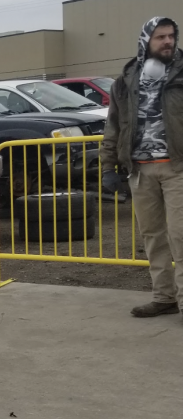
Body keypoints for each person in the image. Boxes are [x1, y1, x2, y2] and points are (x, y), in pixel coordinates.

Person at [102, 17, 183, 318]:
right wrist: (108, 167)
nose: (167, 41)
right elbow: (113, 126)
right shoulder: (125, 81)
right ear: (146, 40)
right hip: (140, 170)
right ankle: (164, 297)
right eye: (160, 37)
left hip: (178, 167)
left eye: (171, 36)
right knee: (152, 235)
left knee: (181, 235)